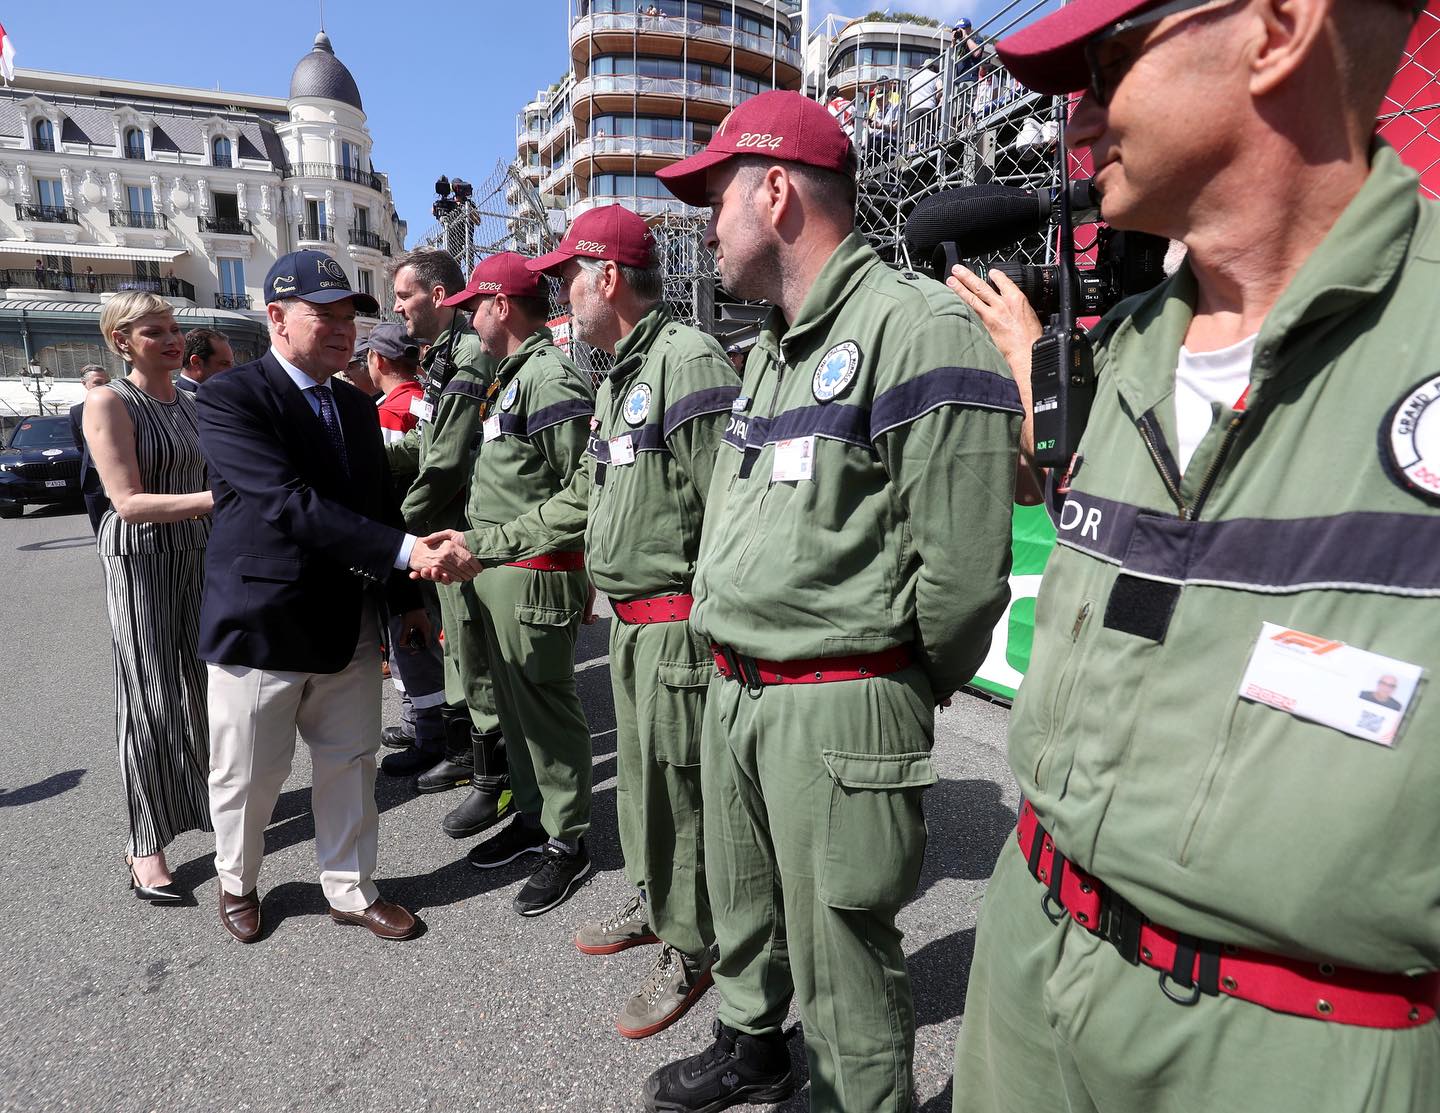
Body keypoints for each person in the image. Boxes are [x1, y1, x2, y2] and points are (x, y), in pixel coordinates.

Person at [942, 2, 1440, 1112]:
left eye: (1106, 66)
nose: (1074, 125)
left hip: (1299, 1051)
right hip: (1032, 970)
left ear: (1276, 28)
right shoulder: (1123, 357)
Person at [639, 90, 1021, 1113]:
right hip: (738, 690)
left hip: (836, 701)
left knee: (846, 961)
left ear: (776, 192)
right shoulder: (769, 347)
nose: (703, 226)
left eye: (715, 199)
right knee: (752, 912)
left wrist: (886, 684)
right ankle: (755, 1048)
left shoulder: (917, 328)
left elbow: (964, 576)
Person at [460, 205, 738, 1037]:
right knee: (648, 792)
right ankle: (660, 905)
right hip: (632, 624)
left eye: (567, 276)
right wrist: (483, 545)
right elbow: (582, 498)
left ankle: (691, 946)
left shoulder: (685, 361)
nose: (560, 293)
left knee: (682, 794)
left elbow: (730, 506)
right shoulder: (621, 373)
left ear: (607, 278)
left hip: (680, 627)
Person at [195, 249, 479, 944]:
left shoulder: (356, 405)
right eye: (324, 314)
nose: (342, 328)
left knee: (351, 765)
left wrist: (404, 602)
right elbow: (287, 505)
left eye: (349, 314)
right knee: (250, 775)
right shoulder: (232, 397)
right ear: (276, 318)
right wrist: (413, 553)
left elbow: (380, 505)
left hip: (347, 624)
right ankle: (238, 878)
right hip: (261, 627)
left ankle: (350, 887)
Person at [423, 251, 597, 917]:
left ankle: (567, 836)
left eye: (473, 305)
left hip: (534, 574)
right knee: (517, 713)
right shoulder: (510, 378)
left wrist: (580, 578)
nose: (465, 317)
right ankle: (532, 813)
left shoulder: (550, 378)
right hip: (498, 572)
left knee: (548, 714)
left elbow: (581, 485)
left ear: (502, 306)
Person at [82, 293, 215, 904]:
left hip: (199, 552)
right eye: (153, 331)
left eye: (173, 328)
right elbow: (127, 501)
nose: (170, 339)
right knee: (148, 698)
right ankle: (145, 847)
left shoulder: (189, 400)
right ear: (122, 341)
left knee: (205, 689)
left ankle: (203, 803)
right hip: (141, 559)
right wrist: (226, 500)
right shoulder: (110, 400)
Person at [384, 250, 510, 839]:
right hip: (444, 524)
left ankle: (492, 773)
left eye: (404, 295)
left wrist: (390, 534)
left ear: (438, 295)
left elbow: (447, 463)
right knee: (458, 648)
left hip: (463, 528)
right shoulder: (442, 354)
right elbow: (425, 447)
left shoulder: (467, 355)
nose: (396, 307)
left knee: (474, 653)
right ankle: (467, 753)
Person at [69, 364, 112, 533]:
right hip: (94, 480)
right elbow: (81, 445)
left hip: (124, 476)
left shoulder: (124, 407)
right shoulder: (76, 412)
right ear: (84, 384)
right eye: (98, 383)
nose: (104, 387)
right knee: (100, 530)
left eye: (107, 382)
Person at [177, 328, 234, 393]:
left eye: (231, 364)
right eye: (224, 363)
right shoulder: (175, 398)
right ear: (196, 362)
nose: (231, 370)